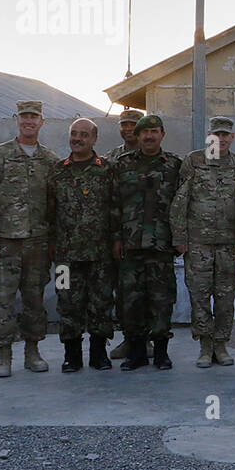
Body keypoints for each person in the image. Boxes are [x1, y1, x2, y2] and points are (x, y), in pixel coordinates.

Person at [0, 100, 58, 378]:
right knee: (3, 300)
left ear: (42, 122)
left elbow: (56, 205)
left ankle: (32, 351)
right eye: (24, 117)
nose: (29, 122)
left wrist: (54, 240)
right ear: (16, 120)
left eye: (34, 117)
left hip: (37, 243)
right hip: (5, 243)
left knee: (35, 300)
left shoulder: (50, 161)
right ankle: (3, 355)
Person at [171, 116, 235, 368]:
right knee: (199, 296)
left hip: (227, 243)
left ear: (232, 137)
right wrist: (179, 237)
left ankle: (221, 344)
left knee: (225, 297)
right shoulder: (193, 161)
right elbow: (180, 201)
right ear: (209, 136)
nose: (221, 139)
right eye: (217, 134)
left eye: (226, 134)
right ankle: (205, 346)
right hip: (198, 243)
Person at [46, 118, 119, 371]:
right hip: (66, 254)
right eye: (74, 134)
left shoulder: (107, 170)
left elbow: (116, 209)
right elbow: (49, 212)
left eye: (84, 135)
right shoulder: (57, 171)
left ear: (94, 139)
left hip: (100, 253)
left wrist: (117, 240)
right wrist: (51, 244)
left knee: (101, 303)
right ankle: (72, 355)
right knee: (68, 302)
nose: (78, 138)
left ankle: (99, 352)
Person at [112, 114, 182, 370]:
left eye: (154, 131)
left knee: (162, 301)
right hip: (130, 246)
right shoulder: (122, 165)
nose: (149, 136)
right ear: (137, 136)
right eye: (144, 132)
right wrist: (116, 239)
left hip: (161, 246)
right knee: (131, 302)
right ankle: (137, 352)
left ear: (162, 134)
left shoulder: (174, 165)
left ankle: (162, 352)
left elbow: (181, 204)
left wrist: (180, 239)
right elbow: (114, 205)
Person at [106, 108, 143, 362]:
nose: (128, 128)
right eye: (124, 124)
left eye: (133, 124)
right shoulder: (111, 159)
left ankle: (147, 341)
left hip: (151, 237)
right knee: (124, 292)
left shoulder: (154, 156)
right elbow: (108, 199)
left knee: (151, 292)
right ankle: (128, 340)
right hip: (122, 236)